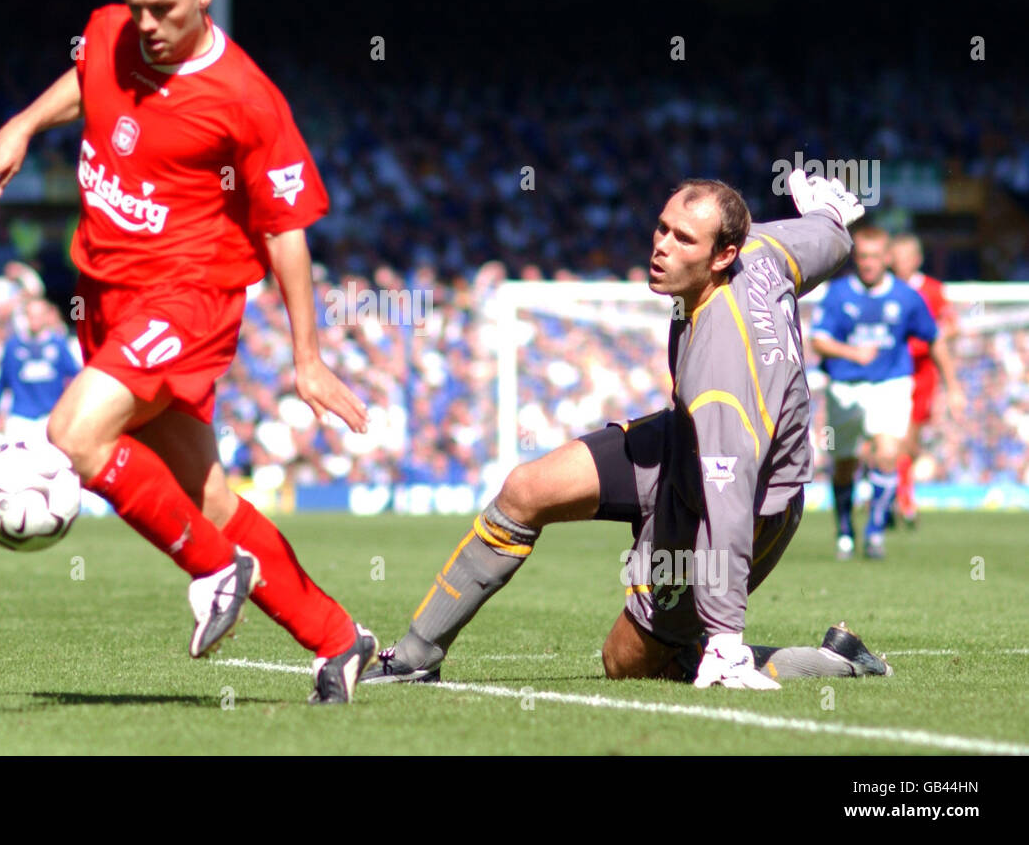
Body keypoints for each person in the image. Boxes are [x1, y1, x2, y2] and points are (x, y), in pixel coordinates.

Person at [0, 0, 376, 703]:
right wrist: (19, 127)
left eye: (161, 8)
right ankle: (337, 638)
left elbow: (286, 234)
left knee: (74, 435)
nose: (144, 23)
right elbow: (89, 77)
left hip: (190, 297)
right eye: (134, 4)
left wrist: (308, 355)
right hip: (108, 297)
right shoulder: (110, 32)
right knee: (208, 499)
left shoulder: (247, 100)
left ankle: (215, 568)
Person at [365, 171, 890, 690]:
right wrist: (829, 213)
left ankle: (830, 660)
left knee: (626, 663)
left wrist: (727, 636)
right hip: (680, 441)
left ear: (723, 256)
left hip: (741, 502)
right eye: (662, 228)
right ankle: (415, 656)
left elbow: (727, 508)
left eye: (684, 239)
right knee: (527, 490)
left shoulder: (721, 370)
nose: (661, 246)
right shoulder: (765, 250)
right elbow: (827, 239)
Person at [811, 227, 937, 560]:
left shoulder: (907, 297)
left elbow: (932, 336)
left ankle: (875, 530)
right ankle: (844, 532)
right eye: (862, 256)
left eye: (875, 256)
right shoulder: (838, 294)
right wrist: (854, 354)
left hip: (891, 384)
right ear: (856, 258)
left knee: (887, 452)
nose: (868, 263)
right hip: (846, 388)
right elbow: (818, 340)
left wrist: (952, 387)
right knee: (844, 464)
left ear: (887, 258)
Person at [888, 233, 964, 526]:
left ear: (917, 259)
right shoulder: (887, 288)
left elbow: (952, 325)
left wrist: (929, 341)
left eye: (907, 257)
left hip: (921, 373)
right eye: (897, 256)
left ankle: (899, 495)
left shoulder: (931, 290)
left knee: (910, 439)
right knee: (889, 437)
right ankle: (897, 496)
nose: (901, 262)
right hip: (889, 371)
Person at [0, 297, 82, 449]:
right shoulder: (13, 346)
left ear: (46, 316)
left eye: (39, 315)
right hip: (21, 418)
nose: (35, 320)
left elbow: (75, 377)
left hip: (49, 417)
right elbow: (2, 383)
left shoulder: (58, 344)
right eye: (31, 315)